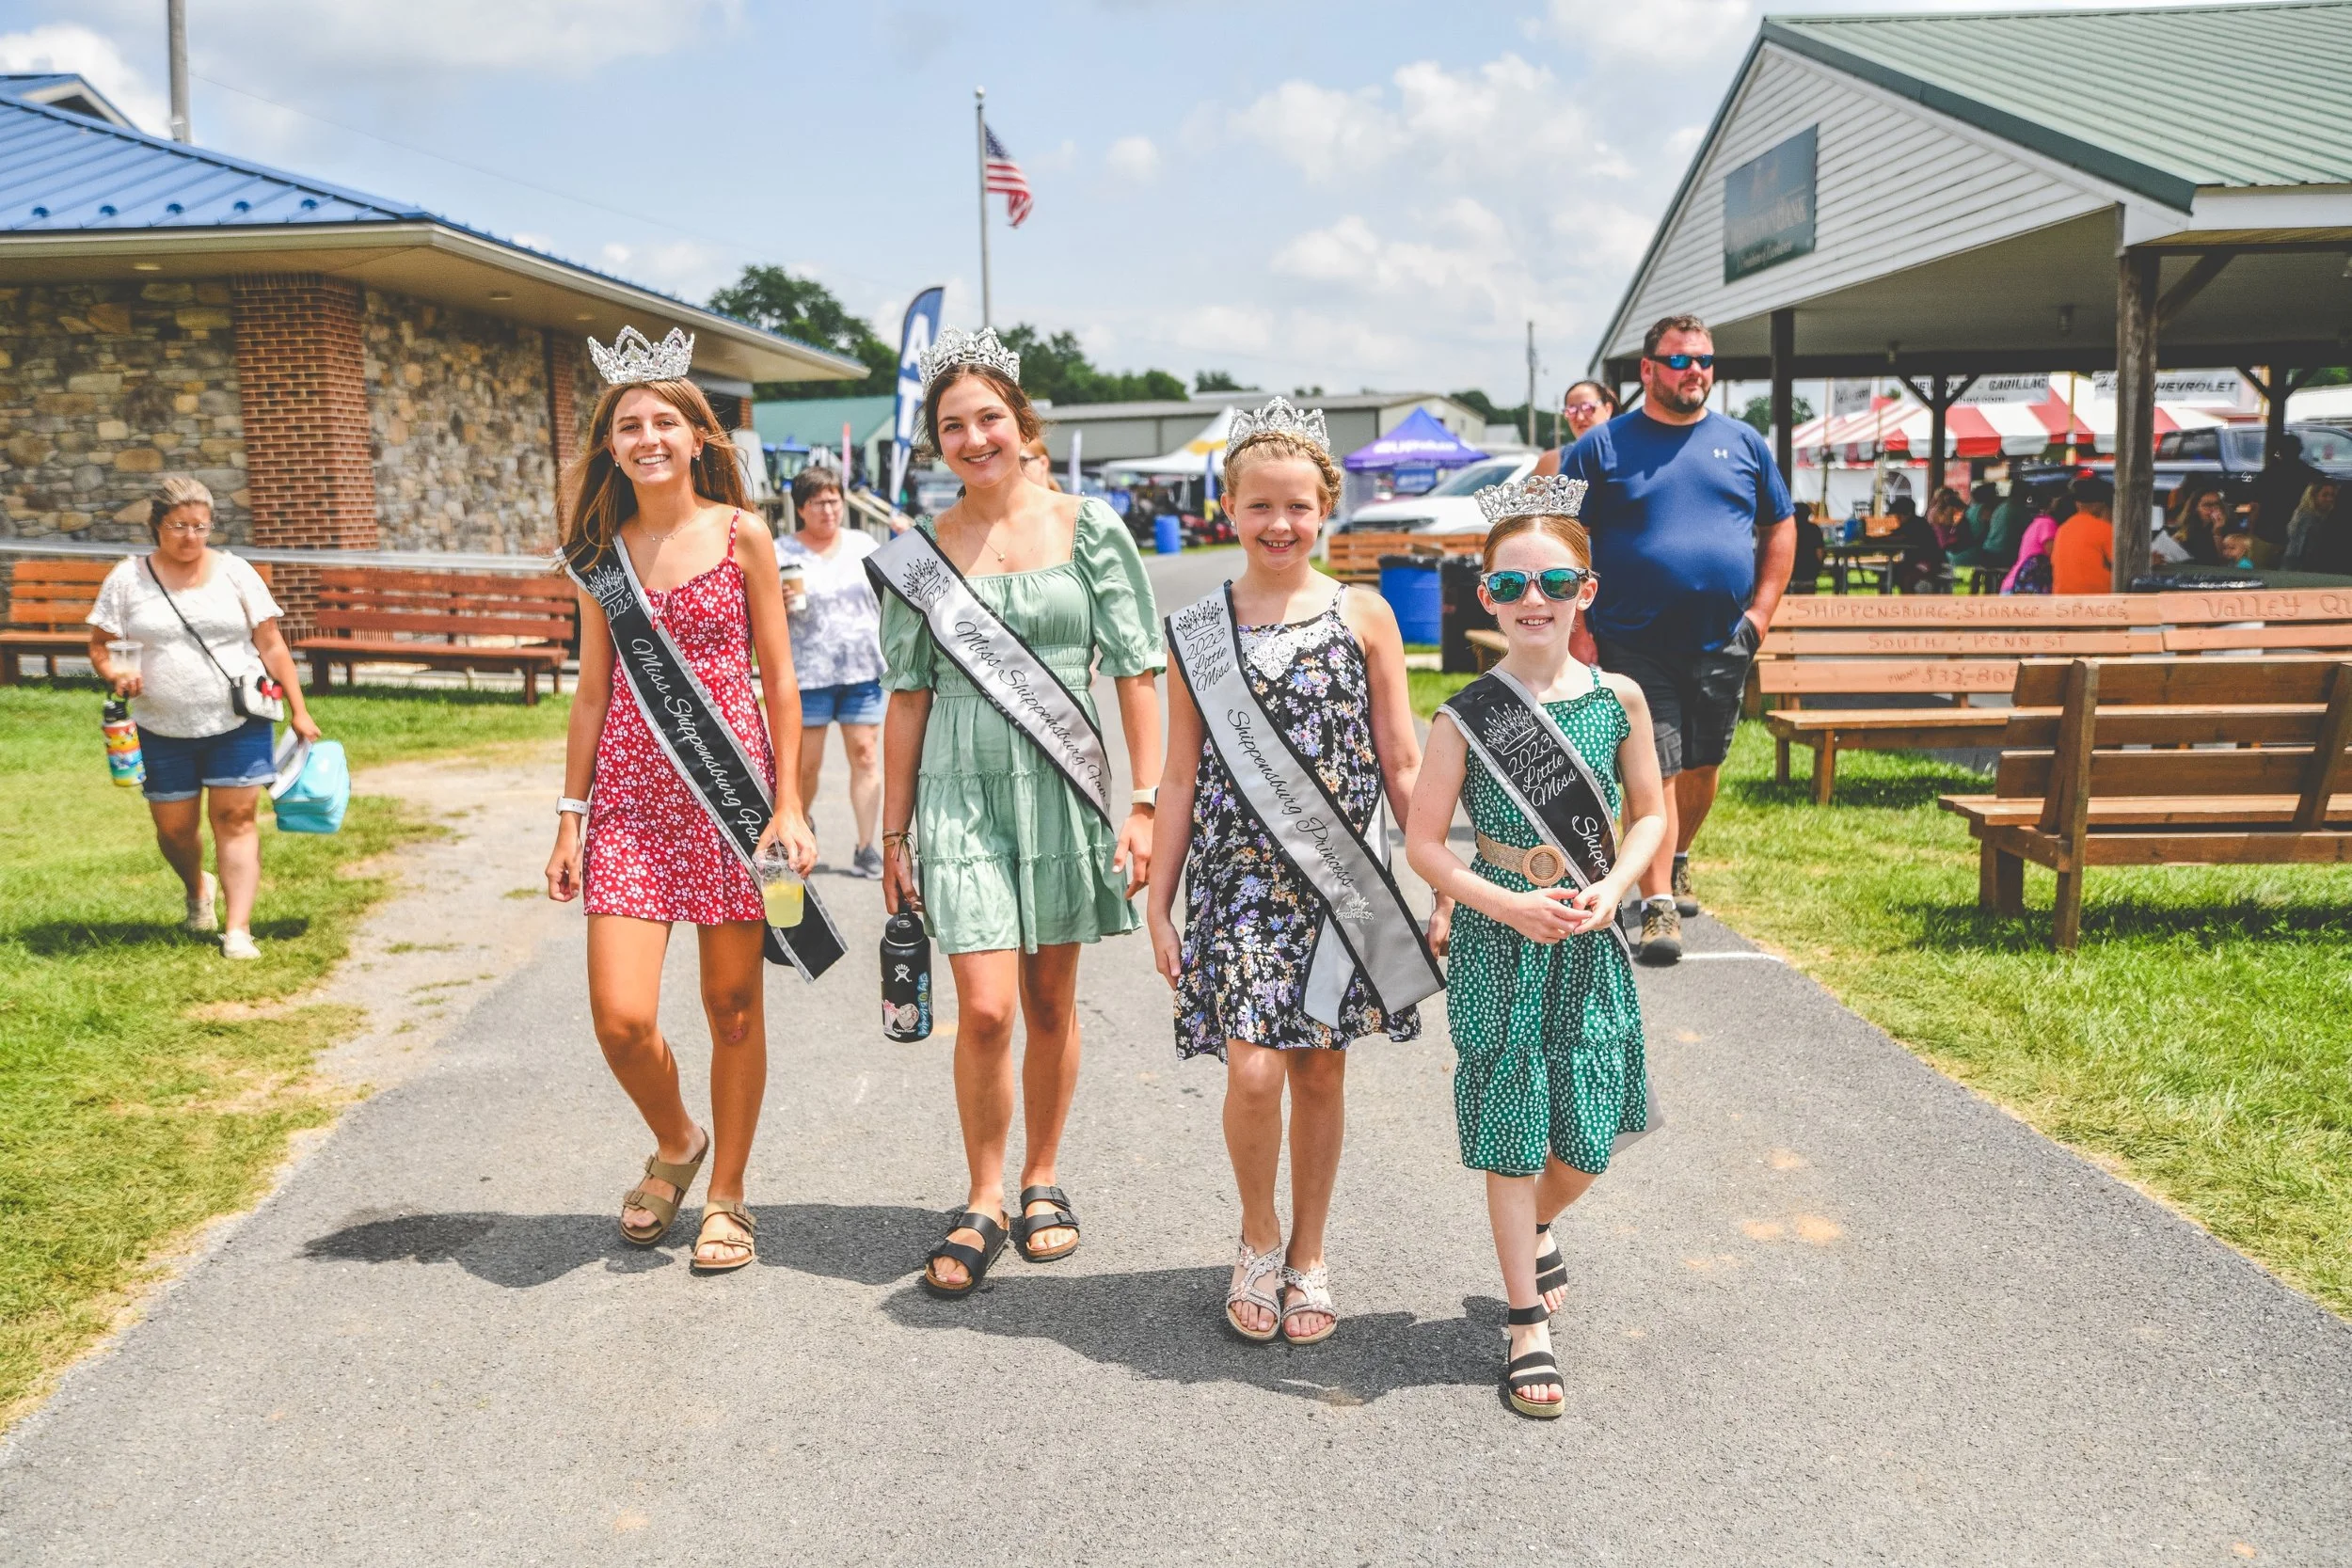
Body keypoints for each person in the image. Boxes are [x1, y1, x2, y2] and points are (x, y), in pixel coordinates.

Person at [877, 328, 1165, 1297]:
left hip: (1061, 785)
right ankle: (985, 1193)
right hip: (959, 788)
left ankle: (1042, 1174)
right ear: (937, 442)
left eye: (988, 418)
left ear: (1021, 422)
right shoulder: (918, 553)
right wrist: (893, 832)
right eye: (953, 426)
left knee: (1048, 1002)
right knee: (988, 1007)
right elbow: (907, 694)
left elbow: (1136, 670)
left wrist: (1142, 803)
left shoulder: (1090, 527)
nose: (974, 438)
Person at [1149, 398, 1441, 1348]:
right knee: (1253, 1070)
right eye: (1260, 505)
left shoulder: (1365, 613)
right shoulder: (1197, 628)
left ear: (1325, 509)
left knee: (1319, 1068)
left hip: (1339, 885)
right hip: (1238, 883)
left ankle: (1309, 1250)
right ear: (1228, 509)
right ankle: (1258, 1234)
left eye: (1298, 506)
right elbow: (1179, 773)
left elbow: (1401, 761)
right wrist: (1158, 900)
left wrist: (1439, 880)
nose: (1280, 524)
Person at [543, 338, 818, 1275]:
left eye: (665, 421)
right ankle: (677, 1139)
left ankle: (727, 1193)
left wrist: (790, 806)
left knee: (732, 1006)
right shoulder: (597, 556)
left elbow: (780, 680)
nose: (648, 437)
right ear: (609, 446)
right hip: (629, 804)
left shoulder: (744, 535)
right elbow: (591, 692)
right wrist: (570, 815)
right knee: (620, 1017)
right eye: (629, 425)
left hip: (733, 803)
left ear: (699, 437)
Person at [1404, 496, 1666, 1420]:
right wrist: (1505, 901)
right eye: (1511, 583)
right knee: (1514, 1125)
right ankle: (1525, 1323)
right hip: (1500, 939)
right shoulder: (1464, 716)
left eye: (1553, 581)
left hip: (1587, 937)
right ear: (1486, 595)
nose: (1533, 598)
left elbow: (1651, 814)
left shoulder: (1617, 699)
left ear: (1584, 591)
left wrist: (1618, 885)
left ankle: (1541, 1219)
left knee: (1587, 1138)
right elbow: (1424, 845)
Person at [1560, 313, 1793, 963]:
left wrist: (1761, 614)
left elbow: (1780, 524)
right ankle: (1657, 902)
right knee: (1655, 766)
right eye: (1680, 360)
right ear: (1648, 369)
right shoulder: (1601, 448)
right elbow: (1561, 538)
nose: (1695, 371)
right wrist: (1578, 627)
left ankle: (1677, 854)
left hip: (1722, 638)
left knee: (1702, 766)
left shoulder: (1743, 443)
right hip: (1632, 640)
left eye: (1704, 361)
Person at [85, 477, 321, 960]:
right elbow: (100, 646)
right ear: (156, 525)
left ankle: (238, 930)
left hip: (239, 718)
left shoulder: (236, 572)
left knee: (236, 819)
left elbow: (271, 644)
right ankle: (198, 888)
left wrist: (300, 710)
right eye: (179, 526)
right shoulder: (127, 579)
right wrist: (115, 673)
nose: (190, 536)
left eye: (200, 526)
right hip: (160, 724)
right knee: (174, 829)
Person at [777, 465, 886, 879]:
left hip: (862, 667)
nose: (828, 510)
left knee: (866, 754)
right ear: (801, 508)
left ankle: (866, 846)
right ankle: (802, 827)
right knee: (807, 765)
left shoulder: (862, 544)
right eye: (818, 503)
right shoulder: (781, 552)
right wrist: (777, 602)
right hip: (807, 673)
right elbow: (758, 610)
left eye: (834, 501)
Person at [2250, 434, 2322, 570]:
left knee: (2262, 571)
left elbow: (2256, 506)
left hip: (2267, 533)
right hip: (2302, 536)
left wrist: (2251, 531)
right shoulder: (2313, 475)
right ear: (2300, 450)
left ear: (2279, 451)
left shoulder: (2267, 474)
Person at [1530, 381, 1621, 477]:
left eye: (1587, 408)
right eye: (1571, 411)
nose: (1579, 417)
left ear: (1607, 409)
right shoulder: (1552, 462)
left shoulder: (1628, 454)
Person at [2048, 474, 2116, 594]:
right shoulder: (2104, 529)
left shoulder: (2063, 529)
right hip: (2097, 600)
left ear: (2077, 504)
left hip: (2061, 599)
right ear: (2101, 505)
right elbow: (2122, 563)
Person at [1887, 494, 1947, 594]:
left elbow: (1899, 538)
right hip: (1914, 561)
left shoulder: (1917, 525)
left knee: (1907, 578)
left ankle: (1909, 600)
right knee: (1891, 573)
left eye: (1899, 516)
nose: (1897, 519)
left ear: (1908, 514)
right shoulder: (1908, 524)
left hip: (1928, 562)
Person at [2002, 499, 2062, 594]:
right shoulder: (2047, 523)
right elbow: (2054, 556)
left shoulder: (2038, 523)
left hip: (2020, 586)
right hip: (2023, 587)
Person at [2167, 476, 2228, 566]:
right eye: (2208, 505)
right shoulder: (2183, 532)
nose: (2214, 509)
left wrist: (2217, 533)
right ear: (2195, 508)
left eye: (2217, 504)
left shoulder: (2227, 528)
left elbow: (2224, 562)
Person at [2284, 480, 2341, 572]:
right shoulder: (2305, 516)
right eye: (2325, 495)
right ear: (2313, 496)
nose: (2330, 499)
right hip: (2301, 567)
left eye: (2332, 495)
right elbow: (2297, 547)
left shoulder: (2326, 515)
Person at [1789, 500, 1824, 594]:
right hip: (1810, 570)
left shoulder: (1789, 530)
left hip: (1792, 571)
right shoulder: (1814, 529)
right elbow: (1819, 552)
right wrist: (1819, 566)